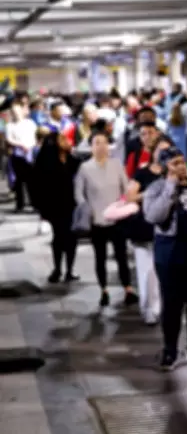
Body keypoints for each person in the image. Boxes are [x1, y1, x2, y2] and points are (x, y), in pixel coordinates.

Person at [143, 146, 187, 370]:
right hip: (170, 252)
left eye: (183, 162)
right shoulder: (156, 187)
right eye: (175, 163)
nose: (181, 167)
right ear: (165, 167)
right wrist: (170, 187)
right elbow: (154, 215)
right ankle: (170, 350)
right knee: (171, 305)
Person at [74, 131, 138, 308]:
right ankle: (104, 290)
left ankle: (128, 288)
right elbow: (79, 193)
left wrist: (124, 205)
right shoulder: (85, 168)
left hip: (117, 219)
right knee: (100, 256)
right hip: (97, 219)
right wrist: (87, 209)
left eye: (104, 143)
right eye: (97, 143)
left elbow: (126, 188)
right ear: (91, 147)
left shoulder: (117, 165)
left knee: (121, 256)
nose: (101, 147)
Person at [126, 137, 173, 326]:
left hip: (168, 230)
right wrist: (150, 193)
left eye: (168, 151)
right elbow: (130, 196)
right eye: (160, 150)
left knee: (166, 272)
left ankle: (164, 307)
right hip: (145, 230)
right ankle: (149, 309)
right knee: (147, 272)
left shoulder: (174, 174)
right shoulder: (143, 173)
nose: (164, 155)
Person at [31, 131, 80, 283]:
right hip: (55, 206)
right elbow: (36, 185)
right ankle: (58, 269)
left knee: (71, 238)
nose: (67, 141)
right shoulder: (46, 160)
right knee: (59, 237)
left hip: (71, 204)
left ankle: (69, 270)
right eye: (63, 139)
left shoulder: (71, 159)